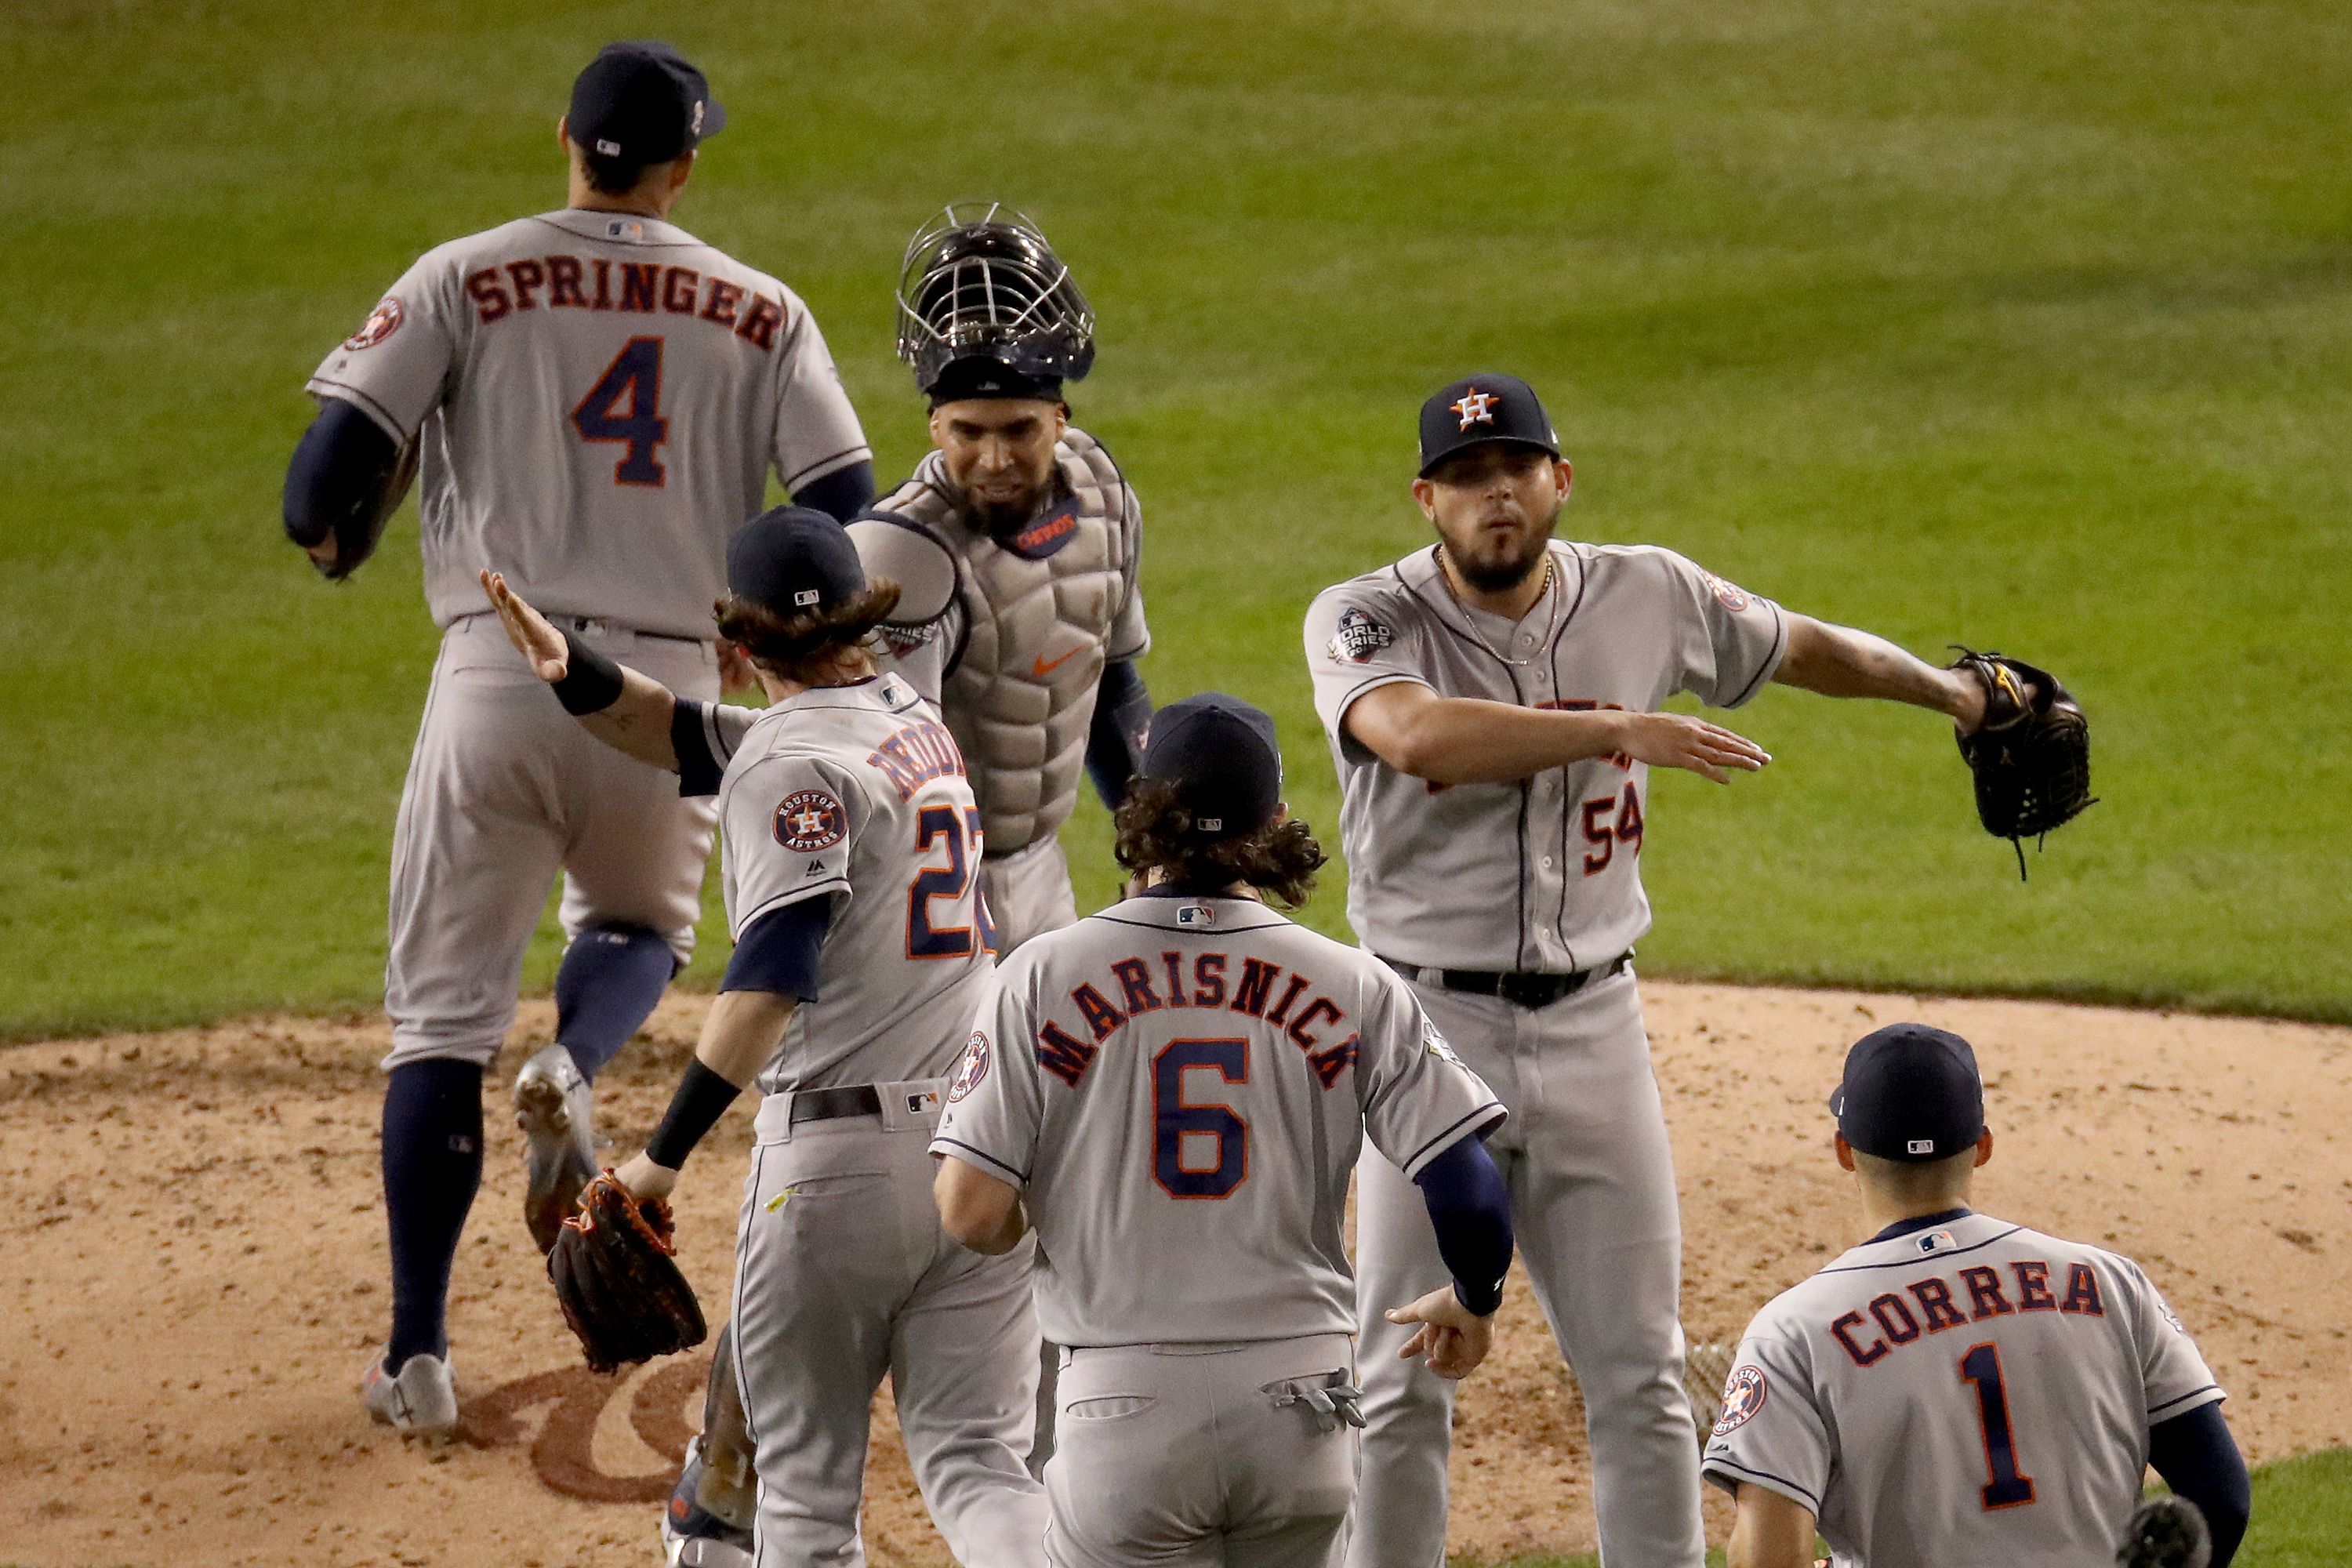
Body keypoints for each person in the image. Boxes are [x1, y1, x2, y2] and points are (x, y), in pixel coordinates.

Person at [1302, 373, 2083, 1566]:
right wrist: (1619, 726)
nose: (1493, 494)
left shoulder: (1648, 589)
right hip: (1424, 1024)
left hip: (1594, 1025)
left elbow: (1800, 644)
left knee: (1641, 1375)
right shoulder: (1364, 616)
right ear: (1426, 501)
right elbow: (1413, 735)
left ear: (1559, 479)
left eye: (1514, 467)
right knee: (1405, 1374)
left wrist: (1953, 693)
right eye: (1464, 479)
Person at [282, 42, 874, 1437]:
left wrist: (343, 534)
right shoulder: (761, 306)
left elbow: (320, 488)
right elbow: (846, 506)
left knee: (436, 1030)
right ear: (683, 165)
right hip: (667, 690)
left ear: (566, 138)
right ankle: (578, 1064)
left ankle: (418, 1356)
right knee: (640, 926)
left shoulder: (463, 273)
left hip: (496, 669)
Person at [478, 509, 1047, 1568]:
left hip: (839, 1174)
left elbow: (771, 979)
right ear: (862, 621)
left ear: (736, 648)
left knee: (803, 1494)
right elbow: (678, 729)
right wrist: (571, 668)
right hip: (981, 1149)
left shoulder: (788, 765)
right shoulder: (910, 721)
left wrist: (660, 1158)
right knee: (978, 1462)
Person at [931, 693, 1515, 1567]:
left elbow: (971, 1214)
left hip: (1124, 1410)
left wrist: (1047, 1202)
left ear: (1140, 812)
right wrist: (1474, 1299)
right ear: (1273, 817)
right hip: (1301, 1410)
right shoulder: (1353, 981)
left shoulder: (1041, 974)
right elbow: (1468, 1186)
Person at [1704, 1023, 2250, 1568]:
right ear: (1982, 1146)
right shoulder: (2109, 1282)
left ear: (1845, 1151)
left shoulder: (1794, 1330)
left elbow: (1767, 1560)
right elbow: (2222, 1500)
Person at [848, 203, 1153, 953]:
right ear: (933, 428)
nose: (993, 461)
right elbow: (877, 766)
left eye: (1019, 430)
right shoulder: (902, 556)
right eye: (968, 433)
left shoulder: (1104, 492)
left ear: (1059, 417)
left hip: (1043, 875)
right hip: (921, 888)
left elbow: (1112, 682)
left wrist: (1155, 838)